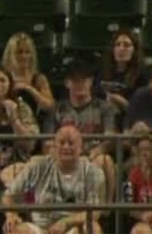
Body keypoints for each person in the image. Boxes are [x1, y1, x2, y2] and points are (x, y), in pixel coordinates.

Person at [2, 124, 106, 234]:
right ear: (54, 146)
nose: (66, 147)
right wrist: (11, 215)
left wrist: (65, 222)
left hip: (73, 229)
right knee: (13, 230)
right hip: (39, 227)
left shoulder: (93, 172)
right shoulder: (36, 165)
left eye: (71, 143)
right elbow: (8, 196)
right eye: (62, 143)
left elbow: (95, 212)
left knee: (93, 229)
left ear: (81, 148)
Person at [42, 60, 118, 195]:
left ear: (91, 81)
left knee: (105, 161)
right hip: (64, 157)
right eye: (75, 80)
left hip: (93, 156)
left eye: (84, 80)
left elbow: (109, 138)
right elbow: (47, 143)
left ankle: (104, 207)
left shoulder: (105, 108)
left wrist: (94, 153)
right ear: (67, 83)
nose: (80, 84)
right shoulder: (57, 110)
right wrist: (64, 156)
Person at [1, 31, 54, 113]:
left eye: (27, 52)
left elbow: (49, 106)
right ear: (10, 54)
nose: (24, 56)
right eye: (19, 52)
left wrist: (29, 88)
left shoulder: (39, 79)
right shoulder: (2, 77)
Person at [98, 29, 148, 112]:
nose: (121, 49)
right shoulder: (102, 72)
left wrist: (123, 103)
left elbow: (142, 110)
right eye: (117, 45)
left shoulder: (142, 77)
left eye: (126, 45)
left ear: (134, 50)